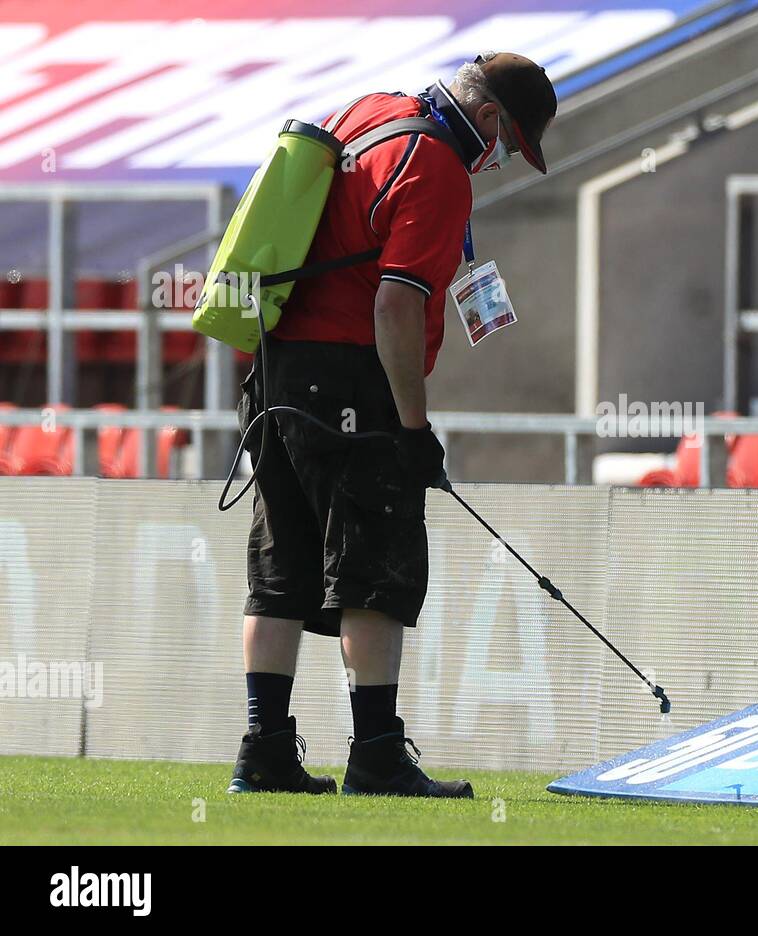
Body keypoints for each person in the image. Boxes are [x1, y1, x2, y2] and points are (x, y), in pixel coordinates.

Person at [227, 53, 557, 797]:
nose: (501, 163)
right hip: (352, 383)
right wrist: (414, 428)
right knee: (375, 569)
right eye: (510, 147)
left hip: (276, 370)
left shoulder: (370, 112)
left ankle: (265, 751)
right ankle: (376, 754)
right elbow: (396, 306)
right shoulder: (439, 168)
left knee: (280, 571)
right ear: (488, 119)